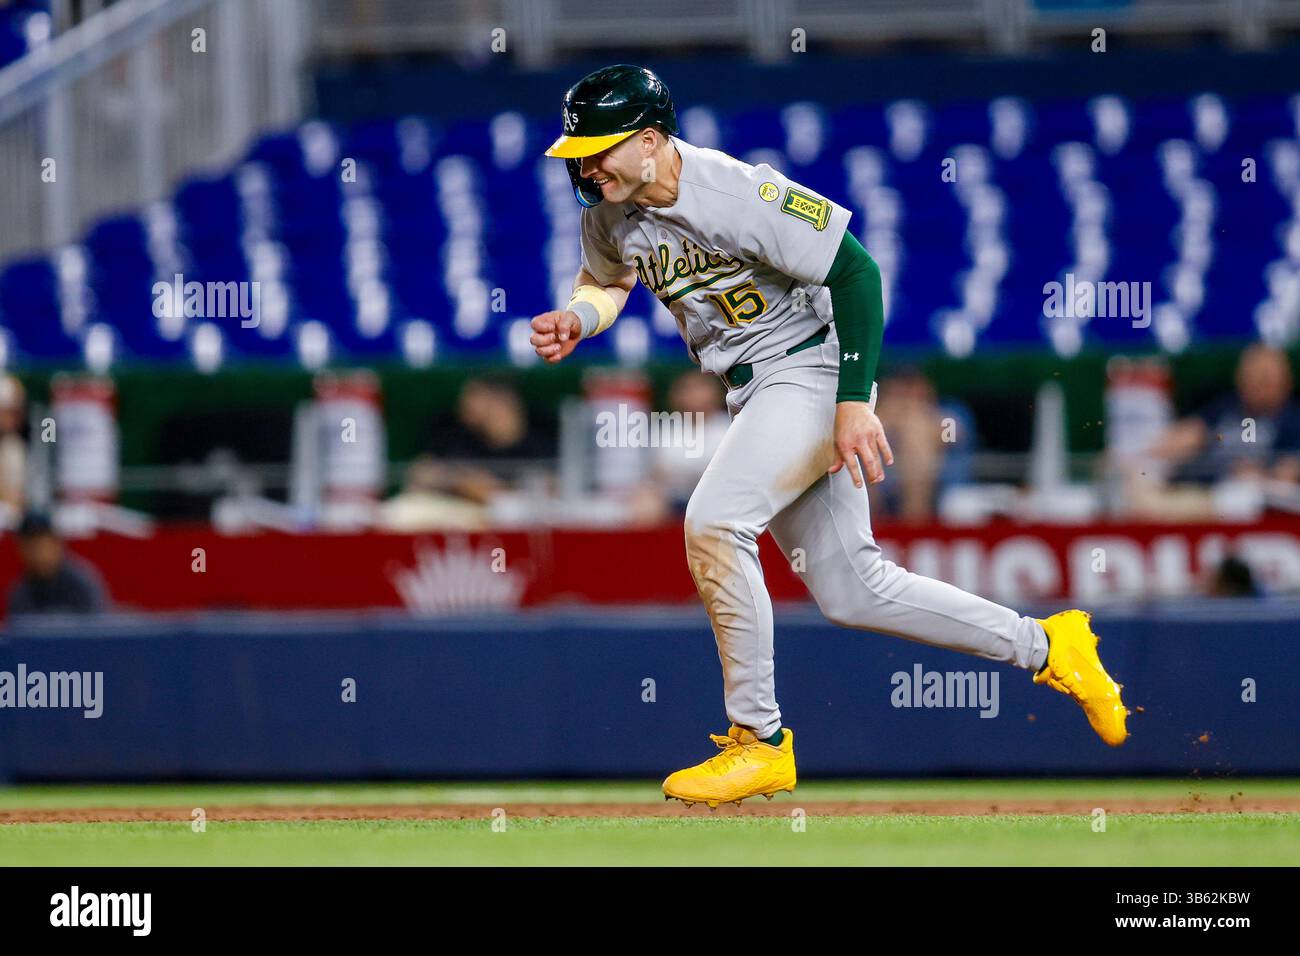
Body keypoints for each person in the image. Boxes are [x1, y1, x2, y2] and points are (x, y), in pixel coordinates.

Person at [531, 65, 1128, 808]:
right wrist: (578, 318)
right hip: (754, 389)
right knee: (855, 590)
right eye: (579, 150)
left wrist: (853, 401)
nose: (586, 164)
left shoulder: (735, 190)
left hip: (811, 367)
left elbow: (858, 273)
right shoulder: (610, 211)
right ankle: (1049, 645)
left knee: (715, 524)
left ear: (650, 140)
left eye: (599, 147)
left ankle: (760, 740)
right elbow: (607, 280)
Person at [6, 511, 110, 616]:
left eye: (42, 546)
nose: (38, 555)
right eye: (30, 548)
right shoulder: (21, 592)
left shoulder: (82, 582)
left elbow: (97, 625)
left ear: (57, 544)